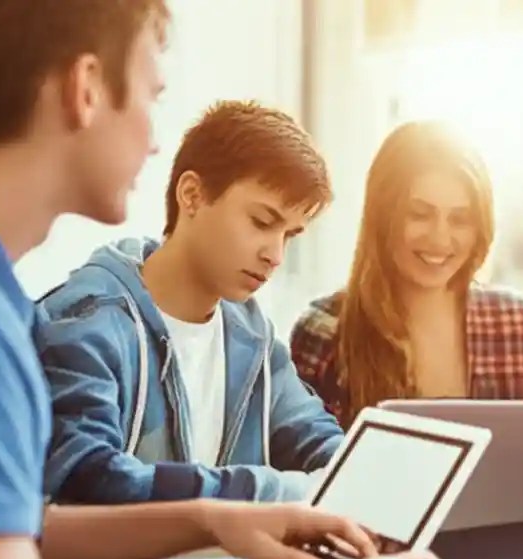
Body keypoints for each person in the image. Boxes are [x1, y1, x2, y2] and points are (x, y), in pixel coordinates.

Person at [0, 3, 455, 559]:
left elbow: (9, 533)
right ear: (85, 89)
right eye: (153, 95)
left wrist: (211, 520)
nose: (156, 139)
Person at [35, 100, 343, 504]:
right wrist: (268, 493)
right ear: (192, 195)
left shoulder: (251, 336)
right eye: (262, 222)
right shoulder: (88, 322)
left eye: (290, 235)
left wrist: (355, 473)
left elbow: (323, 444)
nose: (275, 255)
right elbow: (89, 479)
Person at [290, 120, 523, 429]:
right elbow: (299, 453)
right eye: (419, 214)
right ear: (382, 216)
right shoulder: (326, 330)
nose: (440, 239)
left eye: (460, 219)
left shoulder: (517, 322)